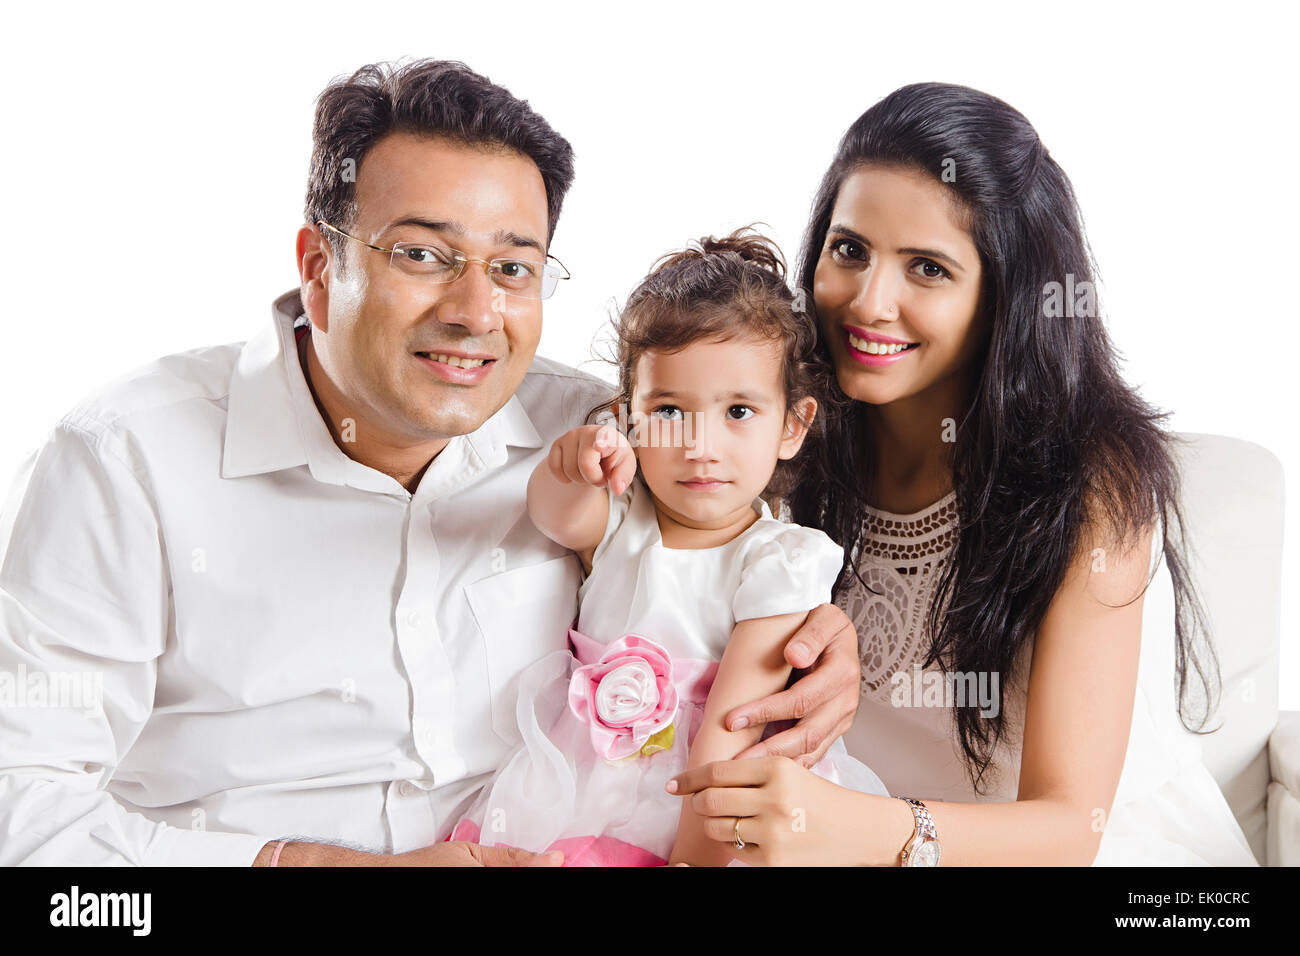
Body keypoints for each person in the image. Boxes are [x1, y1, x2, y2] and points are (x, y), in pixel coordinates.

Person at [0, 60, 863, 866]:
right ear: (317, 267)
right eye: (421, 254)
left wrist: (821, 641)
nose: (476, 311)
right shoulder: (128, 460)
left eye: (514, 267)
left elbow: (726, 539)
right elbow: (24, 811)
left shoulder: (600, 430)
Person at [666, 83, 1258, 866]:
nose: (869, 302)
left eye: (929, 269)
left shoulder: (1090, 482)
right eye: (850, 251)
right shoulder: (778, 422)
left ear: (1004, 298)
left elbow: (1070, 826)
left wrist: (858, 830)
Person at [447, 229, 888, 865]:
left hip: (708, 801)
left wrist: (689, 859)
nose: (700, 445)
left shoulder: (781, 559)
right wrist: (569, 467)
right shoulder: (624, 516)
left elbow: (733, 730)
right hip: (583, 784)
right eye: (670, 412)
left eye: (739, 412)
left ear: (792, 426)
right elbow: (557, 516)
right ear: (629, 416)